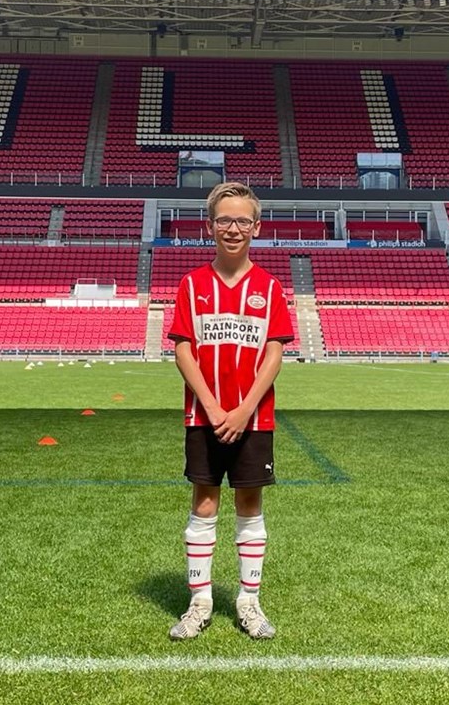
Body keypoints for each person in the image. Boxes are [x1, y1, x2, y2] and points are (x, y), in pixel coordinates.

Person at [166, 182, 294, 640]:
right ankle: (199, 602)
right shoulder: (192, 284)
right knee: (203, 502)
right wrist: (214, 405)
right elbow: (183, 349)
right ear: (210, 226)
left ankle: (248, 602)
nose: (233, 228)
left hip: (253, 417)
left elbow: (274, 353)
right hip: (204, 416)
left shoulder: (270, 287)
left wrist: (242, 410)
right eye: (224, 220)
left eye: (242, 220)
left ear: (256, 227)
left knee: (249, 501)